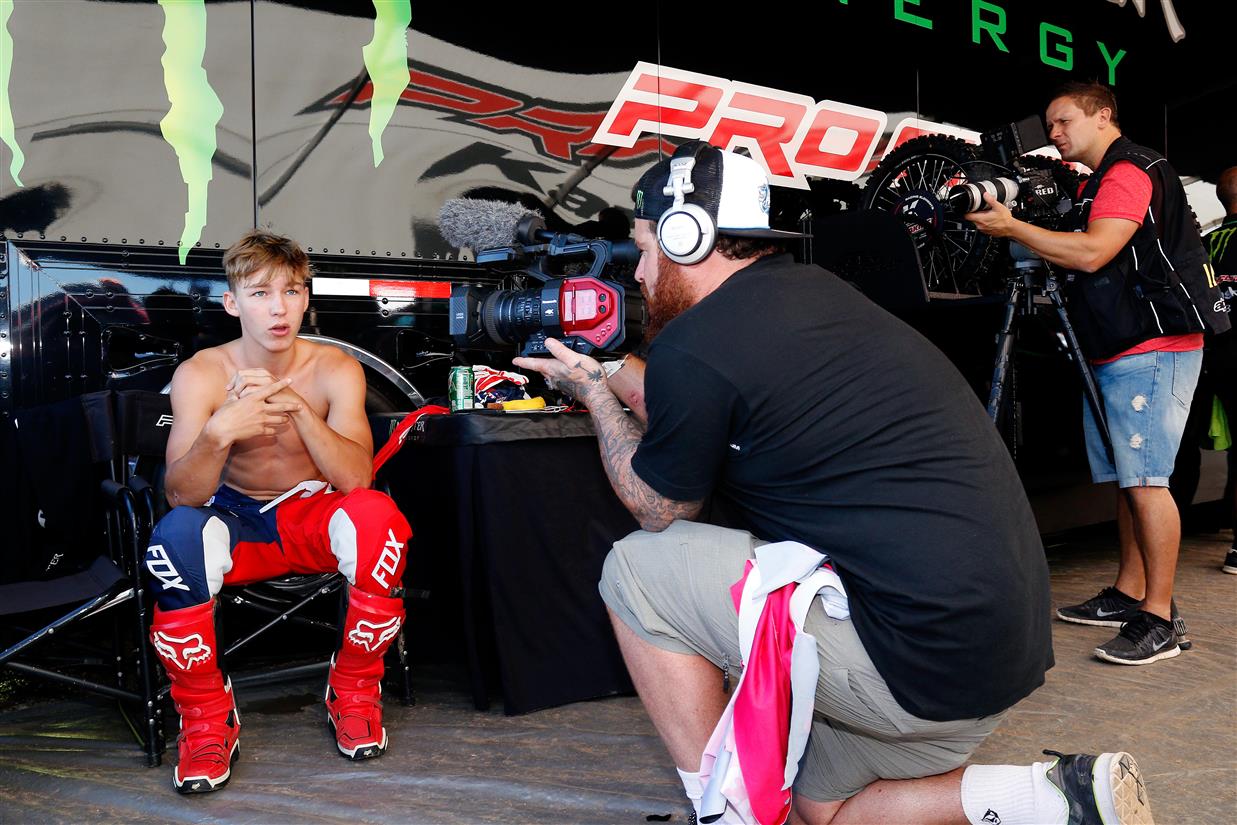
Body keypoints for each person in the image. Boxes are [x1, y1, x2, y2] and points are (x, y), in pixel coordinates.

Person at [515, 140, 1153, 825]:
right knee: (826, 809)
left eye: (644, 248)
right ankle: (1058, 795)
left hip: (911, 664)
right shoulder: (812, 295)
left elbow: (658, 503)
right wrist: (605, 365)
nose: (638, 273)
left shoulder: (694, 348)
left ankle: (721, 811)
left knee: (638, 569)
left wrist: (595, 397)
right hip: (991, 654)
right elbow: (699, 401)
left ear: (685, 235)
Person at [966, 82, 1230, 666]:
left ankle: (1161, 618)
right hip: (1118, 344)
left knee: (1146, 480)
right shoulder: (1094, 181)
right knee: (1127, 476)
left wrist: (1012, 228)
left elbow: (1091, 252)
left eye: (1062, 122)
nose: (1054, 134)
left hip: (1152, 344)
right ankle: (1131, 589)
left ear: (1103, 116)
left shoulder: (1129, 171)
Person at [144, 230, 411, 794]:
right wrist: (219, 435)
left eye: (291, 291)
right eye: (260, 293)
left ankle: (356, 691)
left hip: (307, 514)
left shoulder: (335, 368)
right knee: (175, 540)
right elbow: (180, 495)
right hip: (234, 521)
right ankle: (206, 720)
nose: (278, 307)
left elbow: (356, 479)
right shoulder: (201, 373)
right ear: (231, 302)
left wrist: (300, 414)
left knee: (377, 516)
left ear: (307, 298)